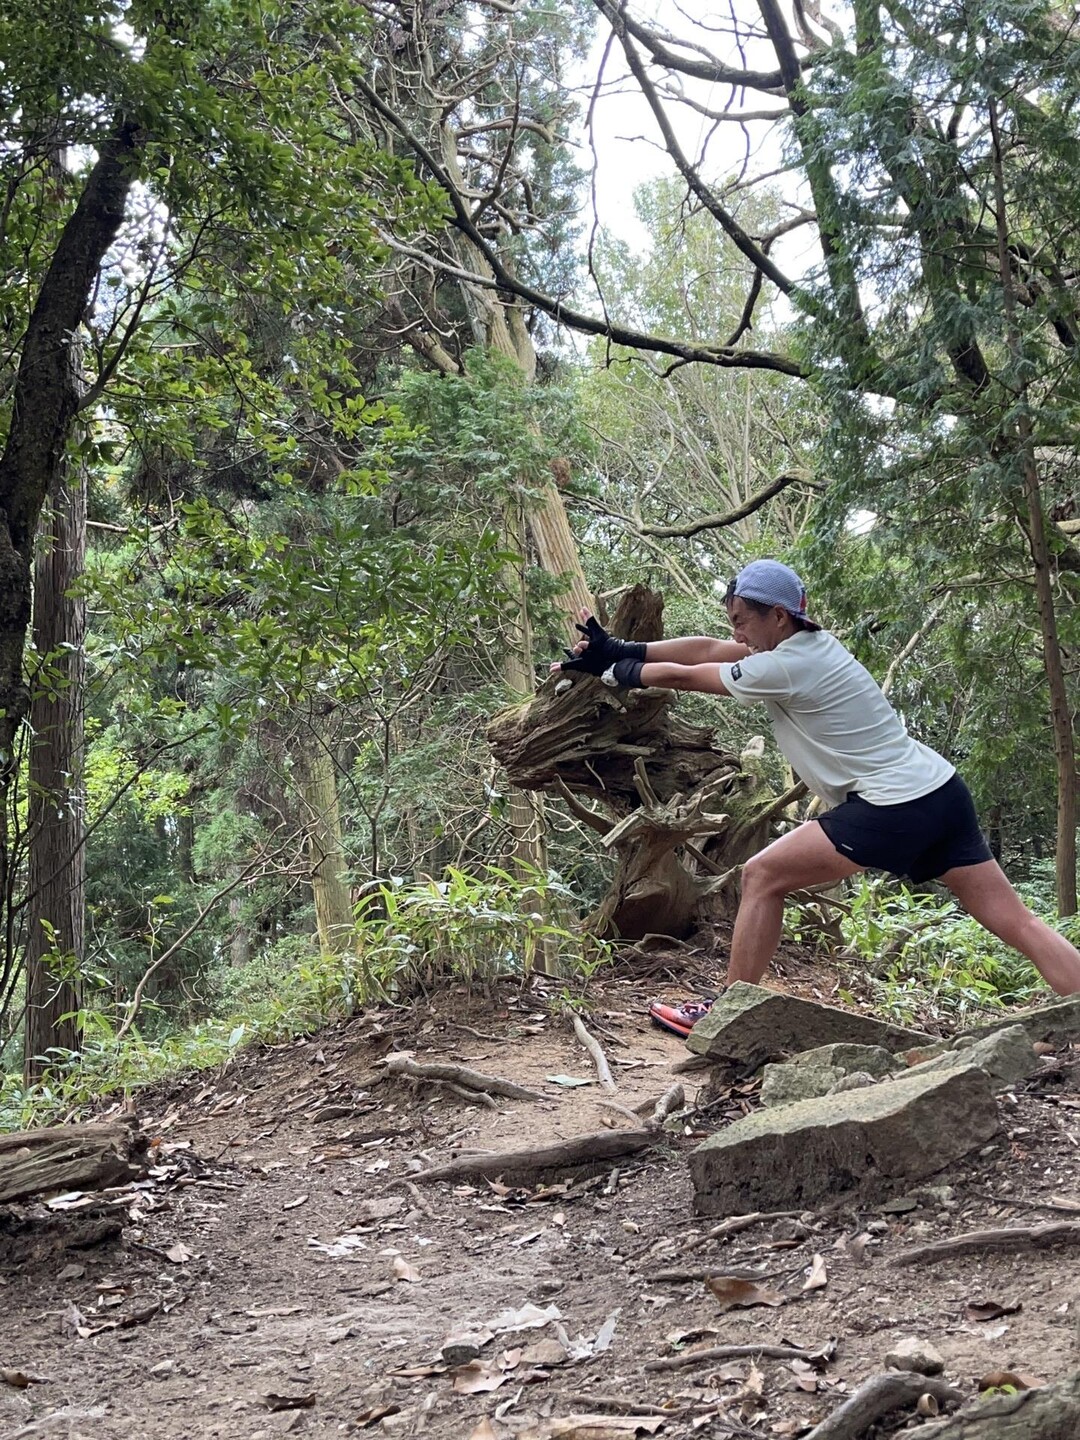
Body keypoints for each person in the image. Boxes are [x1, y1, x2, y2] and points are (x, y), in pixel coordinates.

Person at [552, 559, 1080, 1036]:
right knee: (1018, 921)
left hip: (894, 804)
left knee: (762, 875)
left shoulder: (782, 666)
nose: (735, 631)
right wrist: (622, 648)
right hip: (939, 790)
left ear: (778, 616)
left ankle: (728, 1016)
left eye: (742, 619)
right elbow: (709, 649)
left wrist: (611, 669)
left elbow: (690, 674)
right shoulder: (807, 646)